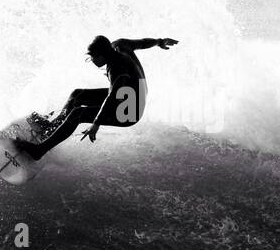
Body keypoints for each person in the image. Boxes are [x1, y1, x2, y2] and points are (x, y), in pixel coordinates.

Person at [16, 34, 178, 161]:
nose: (92, 61)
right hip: (129, 93)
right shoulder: (120, 45)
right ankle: (50, 128)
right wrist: (159, 41)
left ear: (101, 56)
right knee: (77, 95)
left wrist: (96, 124)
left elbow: (112, 97)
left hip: (130, 110)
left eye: (92, 58)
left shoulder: (116, 69)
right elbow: (142, 42)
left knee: (78, 114)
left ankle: (38, 151)